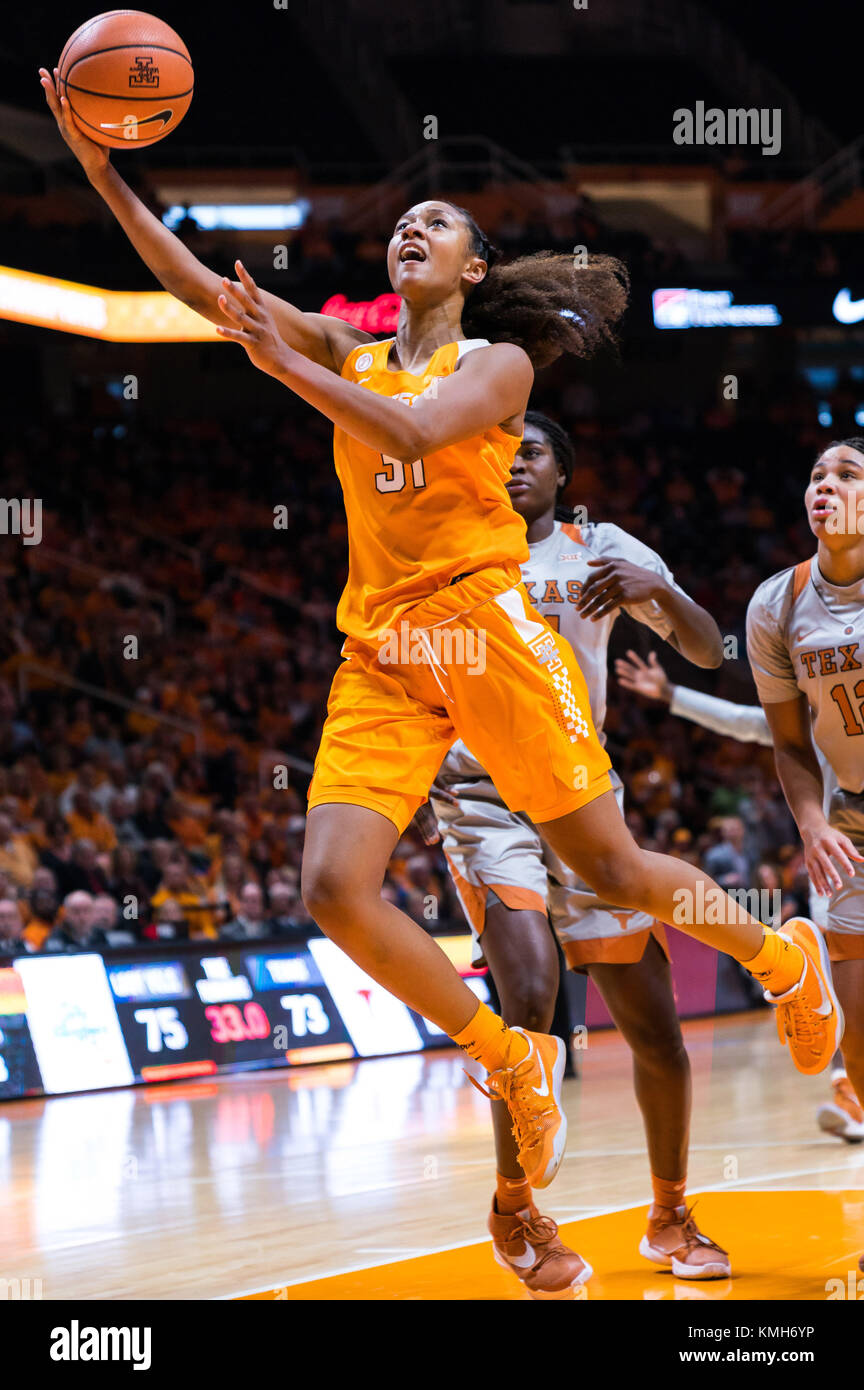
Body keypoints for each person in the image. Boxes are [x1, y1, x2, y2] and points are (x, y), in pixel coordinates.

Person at [40, 71, 842, 1195]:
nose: (410, 228)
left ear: (473, 269)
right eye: (403, 222)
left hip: (486, 626)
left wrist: (285, 364)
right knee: (332, 887)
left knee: (607, 864)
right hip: (382, 648)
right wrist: (102, 174)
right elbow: (193, 289)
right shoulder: (346, 348)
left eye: (436, 223)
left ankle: (777, 953)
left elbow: (411, 436)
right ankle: (506, 1054)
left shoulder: (497, 366)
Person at [429, 412, 730, 1294]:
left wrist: (655, 588)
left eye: (530, 452)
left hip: (582, 794)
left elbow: (707, 650)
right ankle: (516, 1213)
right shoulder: (452, 544)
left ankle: (670, 1215)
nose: (512, 464)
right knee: (529, 1001)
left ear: (563, 473)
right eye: (500, 451)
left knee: (655, 1030)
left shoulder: (598, 549)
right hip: (484, 799)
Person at [618, 632, 864, 1149]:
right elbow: (738, 720)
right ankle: (849, 1092)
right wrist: (670, 694)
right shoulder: (802, 724)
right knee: (842, 986)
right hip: (836, 864)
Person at [746, 441, 864, 1265]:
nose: (826, 485)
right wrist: (813, 824)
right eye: (818, 475)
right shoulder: (777, 604)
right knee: (860, 1043)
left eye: (848, 474)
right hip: (850, 820)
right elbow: (788, 743)